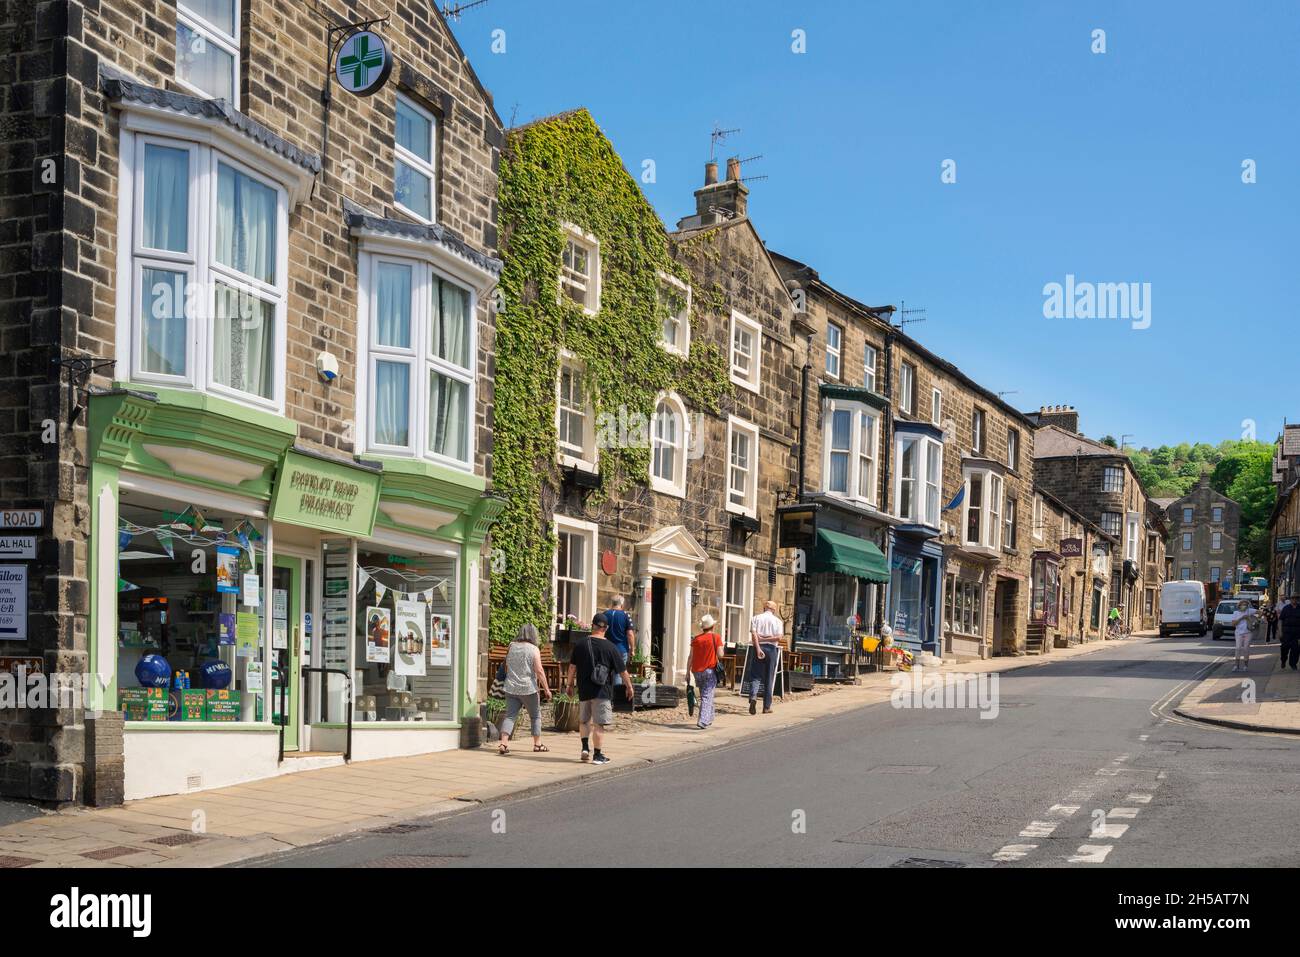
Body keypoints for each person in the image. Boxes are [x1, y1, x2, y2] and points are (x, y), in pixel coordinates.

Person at [566, 612, 632, 765]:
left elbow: (572, 667)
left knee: (584, 721)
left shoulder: (581, 644)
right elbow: (622, 670)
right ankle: (597, 755)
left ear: (593, 626)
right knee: (599, 724)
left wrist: (569, 685)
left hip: (583, 689)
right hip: (602, 691)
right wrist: (629, 686)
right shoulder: (611, 647)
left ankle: (584, 748)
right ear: (606, 628)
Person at [497, 623, 552, 755]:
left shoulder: (511, 646)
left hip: (511, 687)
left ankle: (503, 743)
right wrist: (546, 689)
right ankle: (537, 744)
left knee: (510, 716)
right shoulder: (534, 649)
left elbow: (507, 665)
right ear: (534, 634)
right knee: (535, 716)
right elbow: (539, 670)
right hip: (529, 689)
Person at [747, 600, 785, 715]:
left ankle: (753, 696)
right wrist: (769, 638)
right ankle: (766, 707)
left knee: (755, 675)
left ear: (764, 608)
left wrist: (759, 645)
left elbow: (754, 635)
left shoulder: (756, 618)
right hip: (772, 650)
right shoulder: (778, 621)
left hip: (759, 647)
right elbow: (778, 637)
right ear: (773, 610)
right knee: (769, 677)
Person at [689, 614, 724, 729]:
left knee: (707, 694)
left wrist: (686, 673)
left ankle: (709, 718)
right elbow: (720, 654)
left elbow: (690, 657)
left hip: (696, 671)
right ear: (713, 626)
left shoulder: (696, 639)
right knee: (707, 696)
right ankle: (703, 721)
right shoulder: (716, 638)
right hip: (709, 670)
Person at [603, 595, 637, 695]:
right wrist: (632, 649)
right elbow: (630, 634)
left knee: (606, 672)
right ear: (621, 604)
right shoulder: (625, 615)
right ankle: (615, 698)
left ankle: (605, 695)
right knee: (618, 673)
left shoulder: (605, 614)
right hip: (621, 649)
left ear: (611, 603)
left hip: (607, 649)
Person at [1229, 598, 1257, 673]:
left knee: (1246, 648)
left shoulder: (1249, 611)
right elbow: (1233, 624)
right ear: (1239, 605)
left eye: (1245, 605)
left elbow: (1260, 612)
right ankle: (1236, 665)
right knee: (1238, 648)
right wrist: (1242, 618)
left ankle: (1246, 666)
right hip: (1238, 632)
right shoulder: (1236, 613)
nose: (1244, 606)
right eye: (1243, 604)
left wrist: (1256, 619)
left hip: (1248, 632)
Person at [1279, 595, 1300, 671]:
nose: (1294, 600)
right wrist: (1280, 632)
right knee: (1284, 648)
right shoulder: (1286, 608)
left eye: (1296, 598)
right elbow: (1280, 620)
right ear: (1290, 599)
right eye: (1293, 598)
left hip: (1297, 633)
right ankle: (1283, 660)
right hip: (1286, 632)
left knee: (1296, 649)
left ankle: (1293, 664)